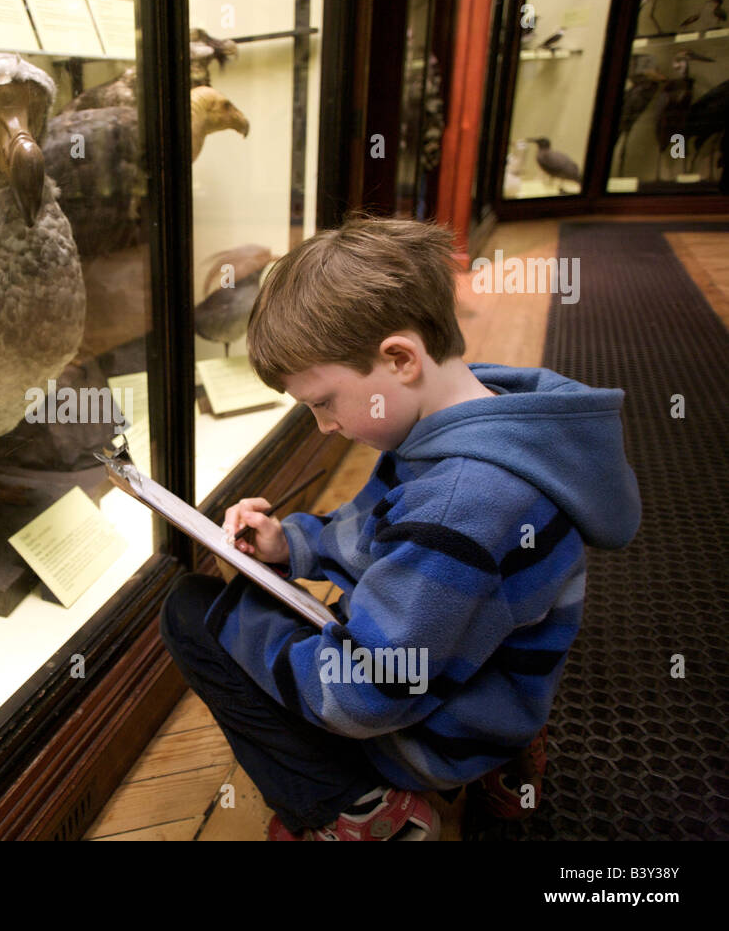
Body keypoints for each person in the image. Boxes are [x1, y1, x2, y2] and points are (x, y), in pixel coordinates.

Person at [161, 216, 641, 840]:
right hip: (492, 686)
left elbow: (364, 696)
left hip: (441, 730)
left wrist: (248, 631)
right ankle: (502, 758)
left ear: (399, 359)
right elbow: (384, 531)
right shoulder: (481, 416)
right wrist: (293, 545)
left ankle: (359, 811)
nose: (324, 427)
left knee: (192, 616)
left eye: (324, 401)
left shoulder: (459, 503)